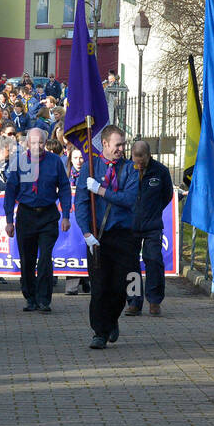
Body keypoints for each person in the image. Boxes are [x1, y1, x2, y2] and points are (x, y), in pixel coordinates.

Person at [75, 125, 140, 348]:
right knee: (99, 286)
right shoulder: (90, 168)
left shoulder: (130, 169)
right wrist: (86, 232)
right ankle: (99, 332)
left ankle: (112, 319)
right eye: (117, 144)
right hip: (98, 236)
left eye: (123, 144)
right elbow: (81, 202)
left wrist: (101, 191)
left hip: (123, 236)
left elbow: (129, 199)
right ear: (104, 144)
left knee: (123, 286)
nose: (121, 149)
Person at [4, 127, 70, 312]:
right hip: (26, 215)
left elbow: (64, 188)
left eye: (40, 142)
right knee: (27, 259)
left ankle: (44, 299)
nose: (37, 146)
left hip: (48, 215)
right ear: (27, 143)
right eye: (33, 142)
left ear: (45, 142)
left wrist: (65, 215)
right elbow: (10, 192)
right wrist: (9, 220)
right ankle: (30, 297)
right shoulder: (18, 162)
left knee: (45, 259)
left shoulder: (55, 162)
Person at [125, 139, 173, 317]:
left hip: (152, 225)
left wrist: (154, 210)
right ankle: (134, 302)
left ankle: (154, 300)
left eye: (141, 157)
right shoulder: (127, 170)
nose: (138, 161)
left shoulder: (160, 171)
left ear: (148, 155)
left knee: (153, 259)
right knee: (130, 263)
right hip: (130, 224)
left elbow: (167, 195)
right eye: (135, 157)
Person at [64, 146, 91, 296]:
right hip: (71, 218)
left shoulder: (89, 174)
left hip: (86, 216)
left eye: (81, 158)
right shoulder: (66, 175)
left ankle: (86, 280)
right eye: (75, 158)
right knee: (73, 248)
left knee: (86, 247)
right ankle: (72, 284)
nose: (78, 161)